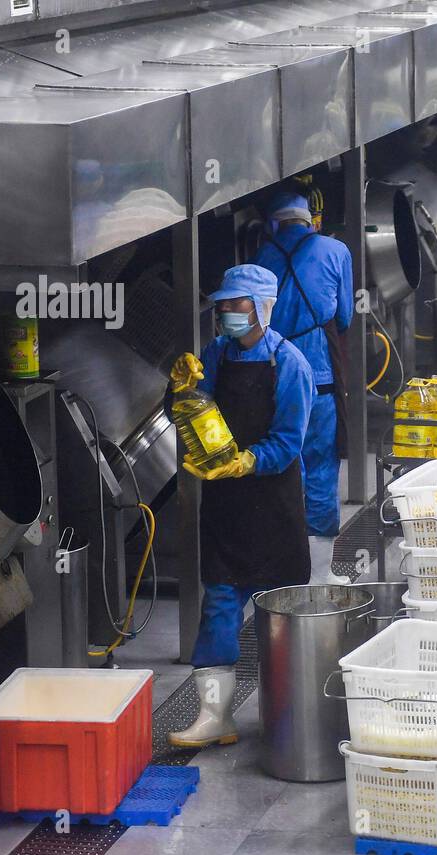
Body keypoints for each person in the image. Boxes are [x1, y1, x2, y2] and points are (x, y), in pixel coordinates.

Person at [167, 264, 316, 748]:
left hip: (274, 505)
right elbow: (201, 417)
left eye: (237, 302)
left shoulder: (290, 364)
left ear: (263, 307)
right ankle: (215, 716)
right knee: (219, 605)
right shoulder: (216, 354)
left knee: (283, 615)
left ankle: (292, 713)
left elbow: (289, 442)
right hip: (226, 506)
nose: (226, 310)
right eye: (224, 302)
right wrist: (185, 394)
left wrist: (247, 461)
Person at [252, 192, 354, 539]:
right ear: (310, 219)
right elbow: (344, 316)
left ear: (274, 223)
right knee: (322, 466)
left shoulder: (263, 255)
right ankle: (320, 560)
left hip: (274, 376)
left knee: (281, 464)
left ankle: (285, 551)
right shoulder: (336, 251)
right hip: (321, 376)